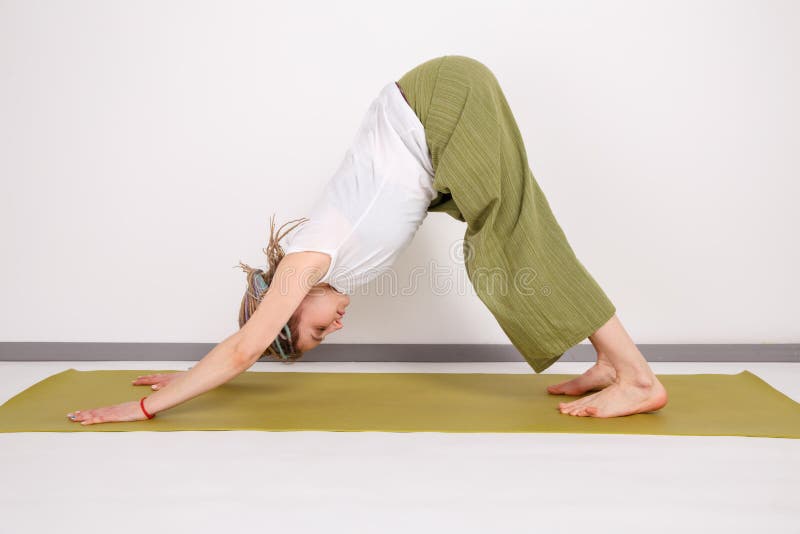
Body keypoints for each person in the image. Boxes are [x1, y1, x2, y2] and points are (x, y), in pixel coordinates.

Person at [67, 55, 667, 426]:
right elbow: (250, 339)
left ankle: (637, 376)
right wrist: (179, 376)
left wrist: (146, 407)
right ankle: (611, 363)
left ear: (288, 300)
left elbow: (246, 347)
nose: (339, 327)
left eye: (320, 329)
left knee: (513, 243)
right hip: (438, 113)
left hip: (442, 100)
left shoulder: (305, 261)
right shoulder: (324, 267)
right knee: (510, 241)